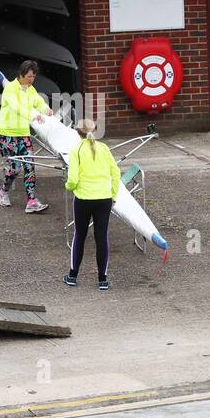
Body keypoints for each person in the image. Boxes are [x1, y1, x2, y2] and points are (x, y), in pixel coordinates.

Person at [63, 116, 122, 291]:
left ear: (77, 133)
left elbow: (73, 179)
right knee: (101, 237)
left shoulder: (76, 151)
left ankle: (72, 276)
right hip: (104, 199)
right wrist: (113, 195)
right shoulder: (104, 148)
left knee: (79, 236)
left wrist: (69, 186)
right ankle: (102, 279)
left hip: (83, 199)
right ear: (94, 131)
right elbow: (116, 173)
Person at [0, 60, 52, 211]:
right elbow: (17, 108)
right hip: (7, 134)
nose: (31, 79)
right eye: (29, 76)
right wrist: (33, 116)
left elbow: (39, 102)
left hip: (23, 134)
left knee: (30, 166)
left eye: (33, 76)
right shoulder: (10, 89)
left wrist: (46, 110)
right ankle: (3, 191)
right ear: (21, 74)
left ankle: (31, 202)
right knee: (15, 169)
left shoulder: (30, 89)